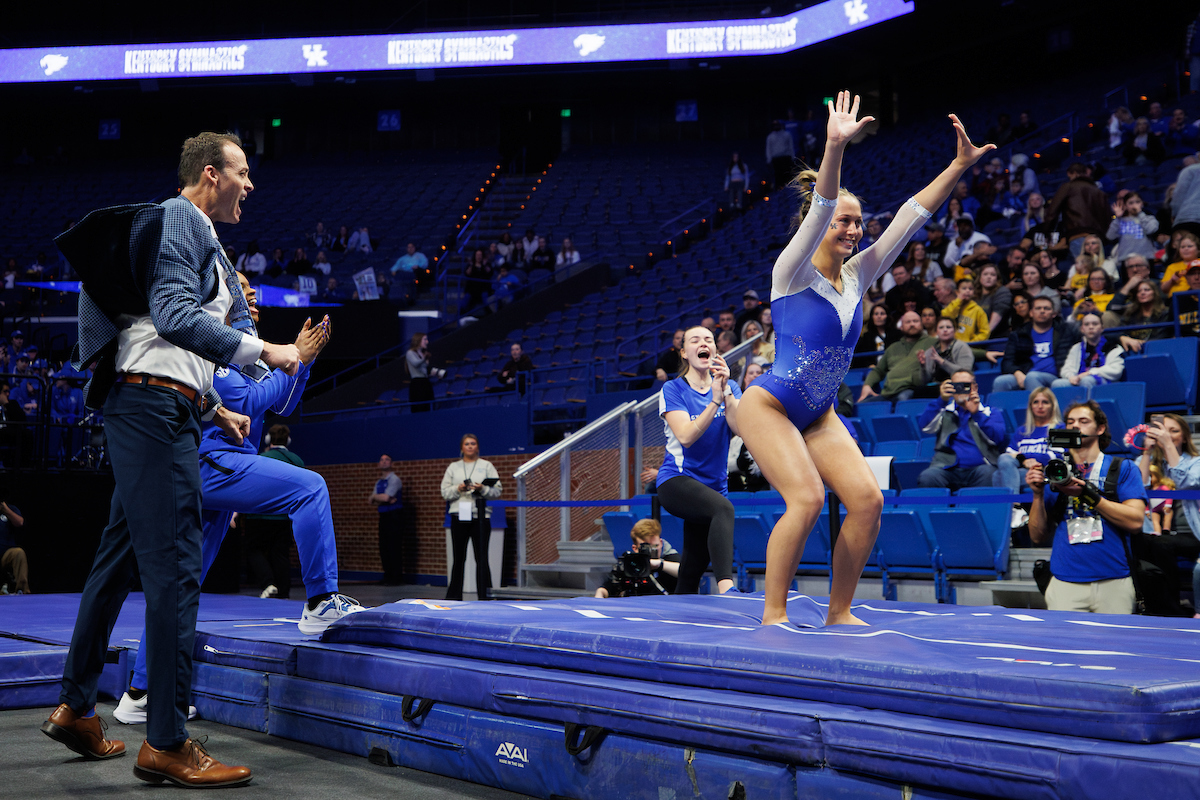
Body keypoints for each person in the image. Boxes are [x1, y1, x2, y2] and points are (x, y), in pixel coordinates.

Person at [46, 132, 303, 785]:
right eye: (243, 172)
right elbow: (172, 316)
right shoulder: (181, 218)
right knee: (178, 570)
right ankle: (165, 739)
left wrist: (214, 406)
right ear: (211, 174)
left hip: (159, 405)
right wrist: (267, 350)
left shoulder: (197, 236)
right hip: (154, 413)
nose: (250, 185)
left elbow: (162, 338)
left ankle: (76, 706)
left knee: (117, 561)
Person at [739, 95, 996, 626]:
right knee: (807, 499)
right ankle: (773, 615)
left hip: (819, 411)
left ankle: (839, 612)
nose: (854, 230)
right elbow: (822, 206)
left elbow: (909, 218)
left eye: (858, 223)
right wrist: (835, 147)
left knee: (867, 501)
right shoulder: (791, 272)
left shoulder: (859, 275)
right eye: (844, 222)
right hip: (769, 406)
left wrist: (958, 166)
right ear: (820, 223)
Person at [116, 276, 361, 726]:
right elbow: (247, 401)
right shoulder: (209, 343)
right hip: (210, 463)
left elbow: (282, 403)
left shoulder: (250, 350)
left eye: (250, 288)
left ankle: (140, 693)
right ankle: (321, 601)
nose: (249, 293)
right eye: (239, 284)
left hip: (221, 471)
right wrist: (293, 356)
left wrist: (303, 362)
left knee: (181, 587)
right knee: (310, 488)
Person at [1027, 401, 1146, 614]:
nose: (1075, 426)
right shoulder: (1055, 471)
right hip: (1064, 580)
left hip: (1113, 580)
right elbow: (1037, 536)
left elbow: (1136, 521)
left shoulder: (1122, 468)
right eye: (1070, 422)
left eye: (1083, 421)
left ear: (1100, 429)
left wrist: (1087, 495)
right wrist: (1037, 494)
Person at [656, 326, 741, 595]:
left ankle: (679, 611)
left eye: (708, 340)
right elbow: (686, 436)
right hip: (677, 481)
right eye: (695, 340)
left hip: (713, 486)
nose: (703, 343)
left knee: (692, 570)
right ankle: (726, 588)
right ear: (684, 353)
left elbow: (740, 429)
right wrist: (714, 402)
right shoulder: (673, 389)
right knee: (724, 510)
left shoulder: (730, 388)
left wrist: (725, 392)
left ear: (715, 350)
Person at [1141, 414, 1200, 614]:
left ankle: (1171, 608)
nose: (1167, 434)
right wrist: (1147, 452)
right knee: (1140, 541)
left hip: (1192, 533)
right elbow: (1138, 487)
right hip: (1156, 531)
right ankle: (1151, 605)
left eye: (1173, 431)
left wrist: (1167, 444)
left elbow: (1185, 482)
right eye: (1163, 430)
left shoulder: (1196, 463)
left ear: (1185, 437)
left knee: (1161, 543)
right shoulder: (1149, 462)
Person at [917, 370, 1007, 490]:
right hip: (947, 468)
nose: (961, 389)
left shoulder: (989, 412)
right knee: (928, 477)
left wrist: (977, 414)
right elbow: (925, 427)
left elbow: (998, 437)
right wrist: (941, 400)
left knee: (989, 474)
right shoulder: (944, 410)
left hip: (980, 468)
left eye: (965, 385)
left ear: (975, 387)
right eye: (956, 385)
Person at [441, 433, 502, 601]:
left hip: (480, 517)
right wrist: (458, 488)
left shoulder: (486, 465)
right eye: (467, 444)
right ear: (462, 447)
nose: (470, 446)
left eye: (473, 443)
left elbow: (497, 490)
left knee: (481, 557)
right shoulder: (453, 467)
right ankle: (454, 597)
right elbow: (444, 492)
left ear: (477, 447)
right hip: (459, 515)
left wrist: (483, 489)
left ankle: (485, 596)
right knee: (458, 558)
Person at [992, 296, 1076, 392]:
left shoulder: (1066, 331)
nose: (1042, 311)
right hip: (1026, 374)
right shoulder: (1019, 334)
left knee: (1032, 377)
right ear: (1031, 313)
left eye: (1046, 308)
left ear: (1054, 314)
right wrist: (1017, 373)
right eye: (1038, 308)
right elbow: (1007, 362)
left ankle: (1040, 401)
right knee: (1001, 381)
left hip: (1055, 376)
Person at [993, 387, 1062, 494]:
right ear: (1030, 406)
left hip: (1046, 473)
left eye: (1045, 402)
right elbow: (1008, 457)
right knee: (1001, 465)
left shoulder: (1059, 428)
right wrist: (1024, 461)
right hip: (1023, 472)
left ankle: (1012, 502)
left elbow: (1055, 457)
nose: (1040, 406)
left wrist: (1023, 458)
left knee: (998, 476)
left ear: (1052, 406)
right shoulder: (1021, 431)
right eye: (1036, 402)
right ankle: (1014, 502)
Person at [858, 310, 935, 404]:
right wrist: (867, 385)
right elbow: (878, 371)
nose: (912, 324)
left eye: (915, 321)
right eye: (908, 322)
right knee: (861, 406)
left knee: (902, 400)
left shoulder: (933, 343)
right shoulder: (893, 347)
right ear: (901, 327)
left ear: (921, 324)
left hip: (911, 390)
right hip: (888, 393)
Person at [594, 518, 681, 598]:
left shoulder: (671, 558)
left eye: (655, 546)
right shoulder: (631, 564)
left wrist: (659, 564)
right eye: (646, 547)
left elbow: (685, 572)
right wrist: (600, 592)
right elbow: (607, 588)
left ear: (661, 543)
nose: (651, 551)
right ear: (635, 548)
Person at [1044, 162, 1109, 257]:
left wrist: (1047, 232)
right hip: (1097, 238)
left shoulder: (1067, 187)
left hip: (1077, 234)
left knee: (1083, 265)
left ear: (1070, 173)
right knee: (1097, 265)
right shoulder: (1099, 191)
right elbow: (1107, 217)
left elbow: (1052, 212)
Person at [1052, 312, 1124, 388]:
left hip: (1103, 382)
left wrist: (1090, 373)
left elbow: (1116, 370)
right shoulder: (1077, 348)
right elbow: (1067, 368)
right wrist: (1071, 377)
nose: (1091, 327)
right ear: (1082, 329)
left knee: (1087, 380)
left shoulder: (1113, 347)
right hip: (1078, 380)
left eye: (1095, 324)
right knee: (1057, 383)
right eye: (1086, 324)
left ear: (1102, 328)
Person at [371, 454, 404, 585]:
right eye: (382, 460)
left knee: (393, 546)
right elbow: (371, 500)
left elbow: (384, 497)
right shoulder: (379, 482)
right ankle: (387, 575)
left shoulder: (395, 479)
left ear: (391, 463)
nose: (384, 462)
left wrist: (379, 498)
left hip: (394, 516)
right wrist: (381, 498)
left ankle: (396, 577)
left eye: (387, 460)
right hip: (383, 516)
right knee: (383, 546)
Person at [1116, 280, 1172, 353]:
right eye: (1139, 291)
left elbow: (1162, 336)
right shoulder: (1131, 313)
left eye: (1147, 290)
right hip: (1132, 351)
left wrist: (1139, 343)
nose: (1142, 293)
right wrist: (1122, 337)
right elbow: (1117, 331)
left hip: (1158, 350)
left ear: (1155, 293)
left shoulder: (1165, 313)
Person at [918, 316, 974, 387]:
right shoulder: (931, 352)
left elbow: (965, 374)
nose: (945, 330)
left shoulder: (962, 347)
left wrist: (942, 362)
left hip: (957, 385)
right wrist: (923, 367)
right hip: (937, 386)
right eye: (941, 327)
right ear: (936, 332)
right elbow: (925, 381)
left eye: (948, 327)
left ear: (954, 330)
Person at [941, 278, 990, 342]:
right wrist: (958, 301)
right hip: (951, 344)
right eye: (964, 288)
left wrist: (972, 342)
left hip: (969, 344)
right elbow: (945, 316)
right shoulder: (952, 305)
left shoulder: (977, 310)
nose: (967, 291)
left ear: (973, 292)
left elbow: (985, 332)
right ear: (957, 292)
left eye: (970, 289)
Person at [976, 264, 1012, 337]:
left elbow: (996, 316)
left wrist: (983, 336)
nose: (989, 277)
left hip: (996, 337)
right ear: (980, 277)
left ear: (997, 279)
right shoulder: (974, 294)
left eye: (992, 275)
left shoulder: (1003, 292)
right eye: (985, 274)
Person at [1160, 231, 1200, 296]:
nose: (1186, 249)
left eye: (1189, 246)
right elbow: (1164, 289)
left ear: (1198, 249)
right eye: (1182, 247)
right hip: (1176, 300)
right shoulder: (1172, 267)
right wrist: (1172, 280)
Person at [0, 500, 27, 593]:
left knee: (19, 553)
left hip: (5, 554)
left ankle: (22, 590)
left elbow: (20, 522)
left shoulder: (10, 508)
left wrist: (6, 510)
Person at [406, 333, 435, 412]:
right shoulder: (410, 353)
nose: (427, 342)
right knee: (419, 407)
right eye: (425, 339)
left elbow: (424, 370)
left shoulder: (422, 353)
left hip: (425, 382)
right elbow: (415, 363)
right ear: (418, 340)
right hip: (417, 384)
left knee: (429, 406)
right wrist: (424, 358)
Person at [765, 120, 795, 190]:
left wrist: (793, 157)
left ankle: (787, 191)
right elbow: (768, 148)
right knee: (778, 177)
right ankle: (779, 191)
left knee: (787, 176)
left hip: (786, 158)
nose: (776, 126)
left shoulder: (787, 134)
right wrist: (769, 159)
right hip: (776, 159)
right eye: (774, 125)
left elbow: (791, 146)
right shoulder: (770, 137)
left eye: (777, 124)